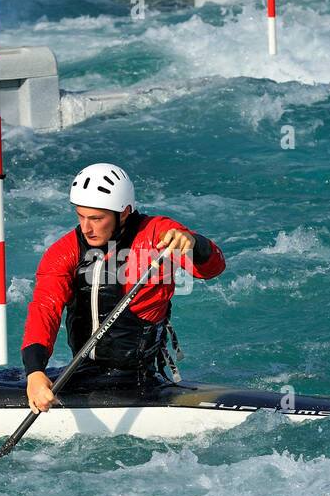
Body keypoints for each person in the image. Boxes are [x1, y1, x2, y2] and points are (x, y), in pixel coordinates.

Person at [22, 163, 225, 414]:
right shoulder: (64, 252)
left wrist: (194, 243)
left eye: (96, 218)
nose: (86, 228)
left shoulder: (158, 236)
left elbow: (213, 269)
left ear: (124, 212)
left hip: (141, 378)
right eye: (81, 216)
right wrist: (35, 372)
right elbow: (44, 310)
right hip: (83, 372)